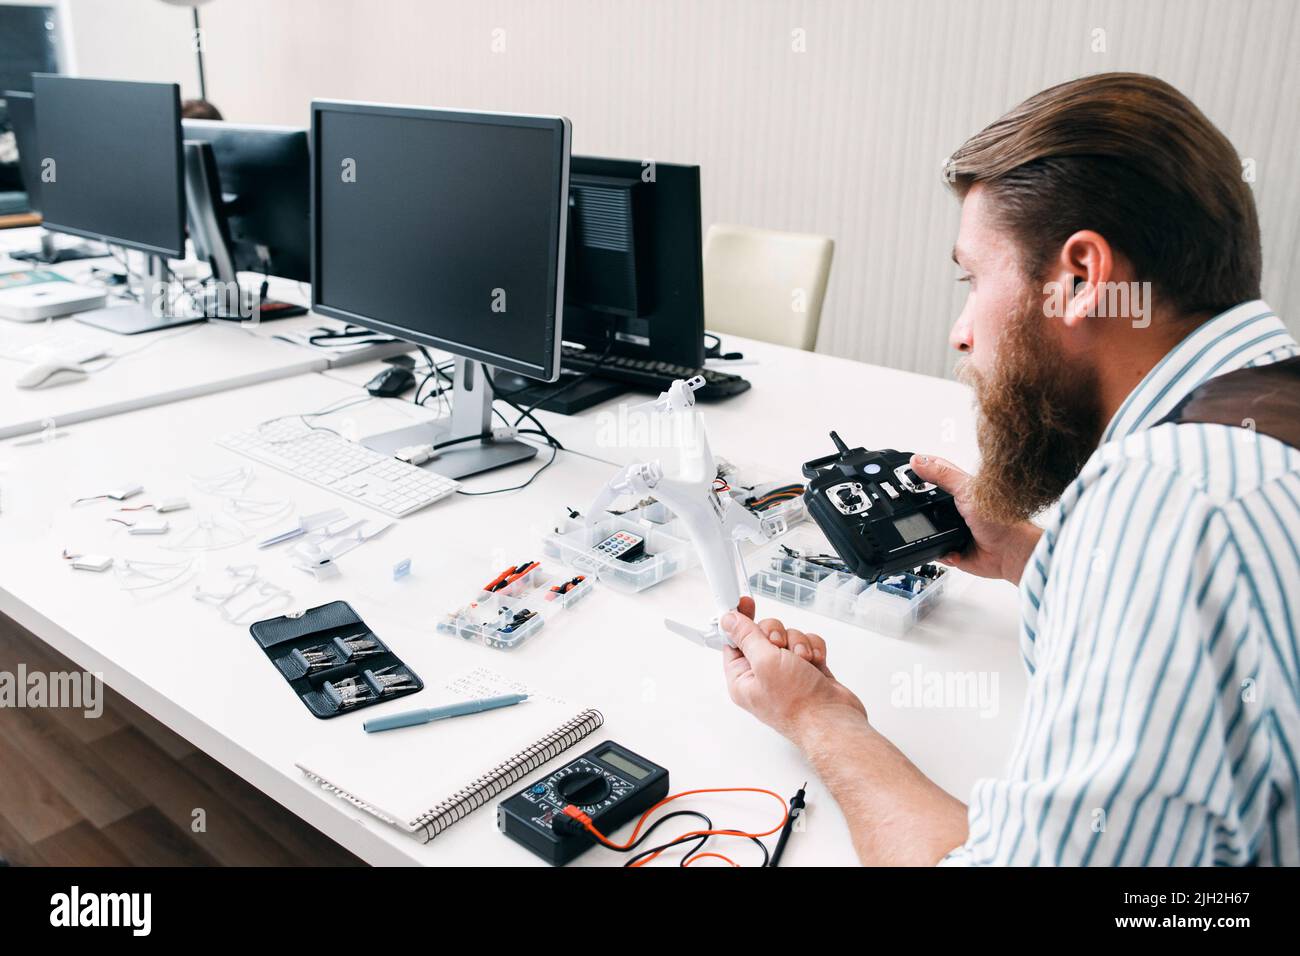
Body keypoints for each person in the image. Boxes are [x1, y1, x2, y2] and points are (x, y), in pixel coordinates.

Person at [721, 72, 1300, 866]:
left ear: (1081, 279)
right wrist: (1040, 559)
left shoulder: (1170, 505)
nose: (962, 333)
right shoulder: (1269, 405)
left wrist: (819, 718)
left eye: (973, 278)